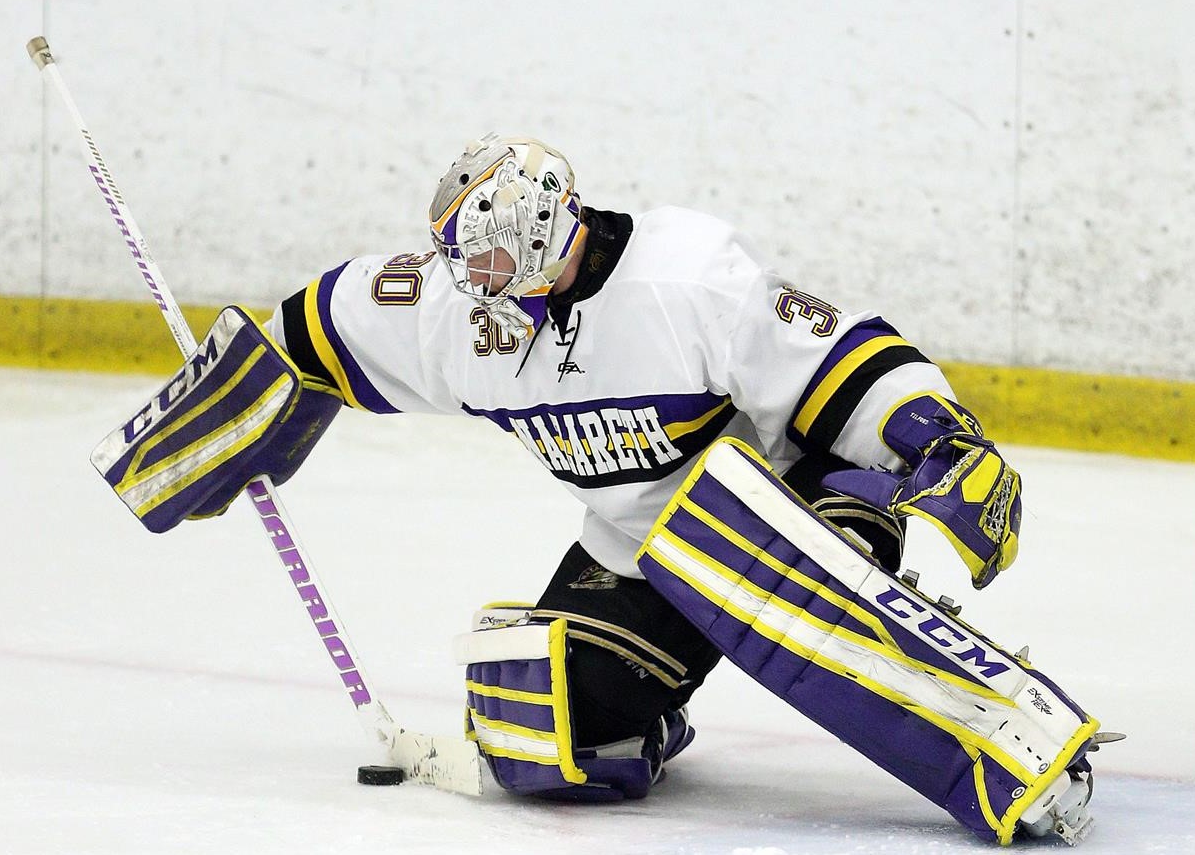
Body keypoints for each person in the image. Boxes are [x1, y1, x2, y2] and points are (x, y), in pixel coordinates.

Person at [92, 135, 1099, 845]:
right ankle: (659, 698)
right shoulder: (456, 308)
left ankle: (1018, 744)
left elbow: (842, 359)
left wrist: (936, 434)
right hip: (639, 548)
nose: (476, 279)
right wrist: (220, 406)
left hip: (798, 500)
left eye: (493, 255)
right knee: (551, 737)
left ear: (548, 224)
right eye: (462, 258)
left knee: (732, 542)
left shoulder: (685, 277)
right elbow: (314, 332)